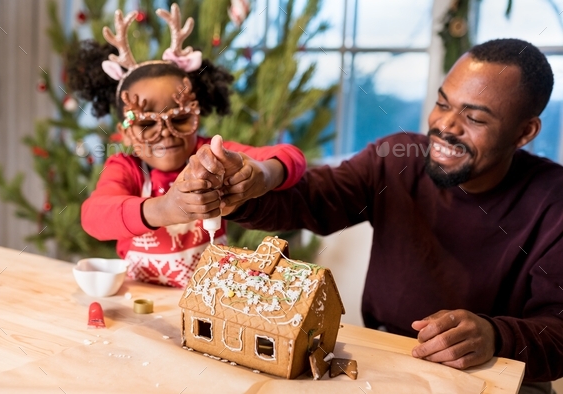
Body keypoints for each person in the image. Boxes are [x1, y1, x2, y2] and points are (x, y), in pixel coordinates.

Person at [189, 38, 563, 390]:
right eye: (443, 104)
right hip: (388, 360)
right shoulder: (395, 159)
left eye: (476, 119)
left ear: (524, 132)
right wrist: (244, 188)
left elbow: (559, 335)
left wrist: (495, 335)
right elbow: (312, 199)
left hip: (495, 375)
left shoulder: (553, 200)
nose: (445, 126)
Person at [68, 6, 305, 288]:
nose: (165, 134)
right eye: (146, 125)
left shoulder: (212, 156)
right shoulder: (127, 168)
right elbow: (93, 216)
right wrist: (166, 208)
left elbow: (292, 157)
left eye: (179, 119)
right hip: (144, 303)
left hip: (209, 296)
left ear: (197, 116)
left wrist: (263, 175)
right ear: (126, 134)